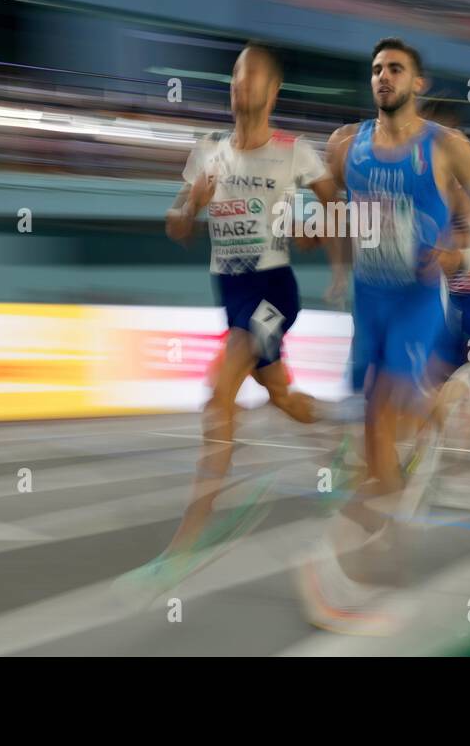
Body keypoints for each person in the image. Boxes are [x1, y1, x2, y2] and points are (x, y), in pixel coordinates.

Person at [296, 37, 470, 634]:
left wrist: (459, 254)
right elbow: (337, 216)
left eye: (395, 69)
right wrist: (334, 260)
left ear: (418, 83)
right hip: (369, 305)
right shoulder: (345, 146)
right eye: (375, 70)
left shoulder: (448, 149)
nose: (383, 77)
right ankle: (447, 404)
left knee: (380, 427)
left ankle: (343, 576)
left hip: (420, 303)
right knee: (375, 442)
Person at [128, 42, 340, 591]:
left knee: (217, 392)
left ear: (272, 92)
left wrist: (315, 230)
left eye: (249, 78)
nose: (238, 87)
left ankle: (186, 545)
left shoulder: (295, 151)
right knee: (283, 397)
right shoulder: (207, 152)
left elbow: (331, 206)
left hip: (273, 291)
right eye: (233, 78)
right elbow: (175, 228)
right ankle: (343, 434)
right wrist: (190, 204)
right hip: (231, 290)